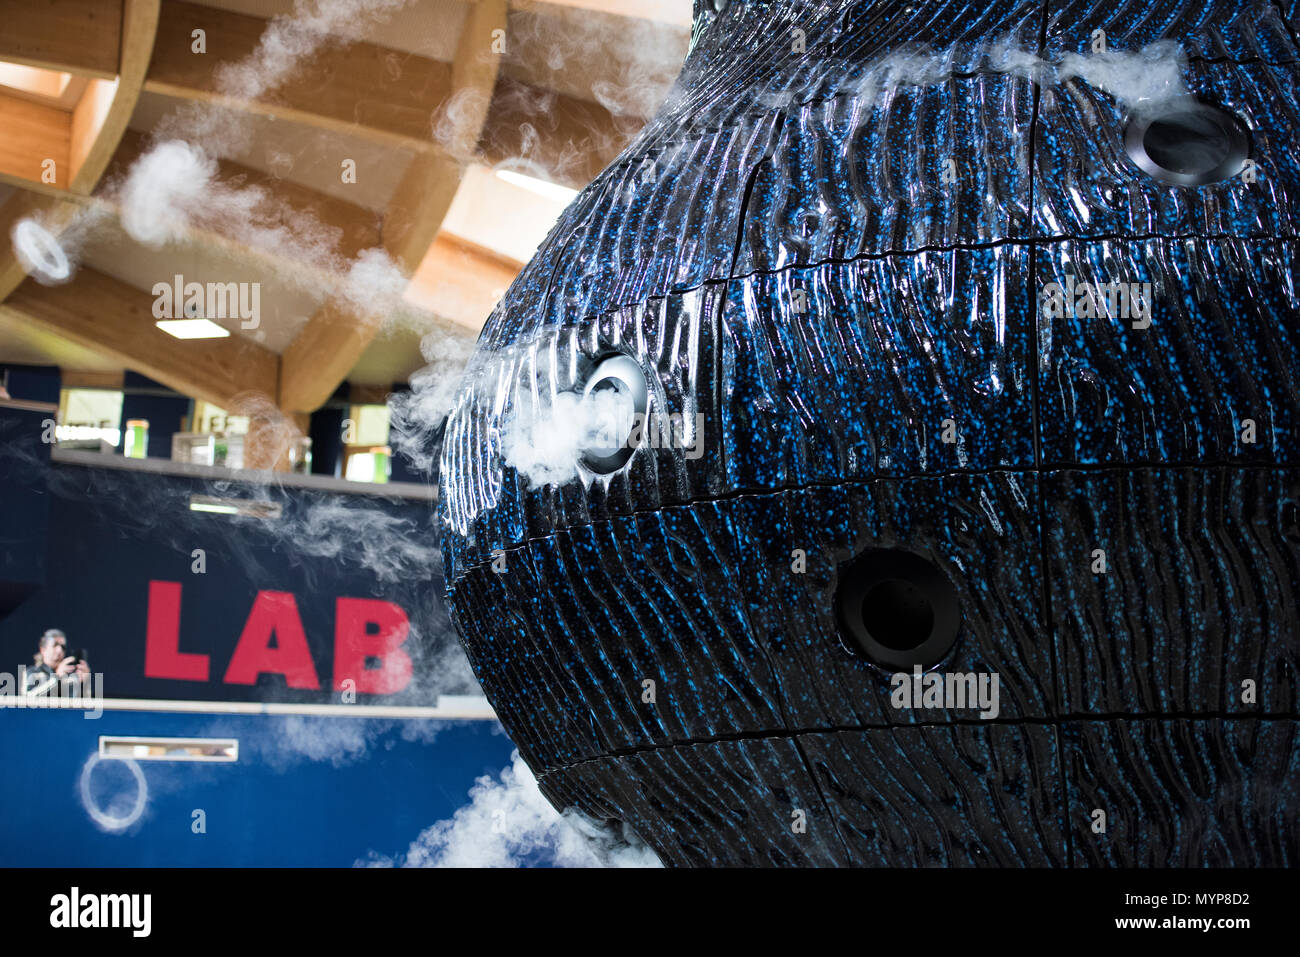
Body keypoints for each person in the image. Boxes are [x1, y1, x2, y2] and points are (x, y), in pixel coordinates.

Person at [25, 629, 89, 696]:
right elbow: (31, 696)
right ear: (43, 649)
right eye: (55, 645)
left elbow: (79, 702)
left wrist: (84, 684)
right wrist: (57, 677)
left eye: (63, 647)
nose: (59, 650)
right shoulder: (32, 672)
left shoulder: (69, 677)